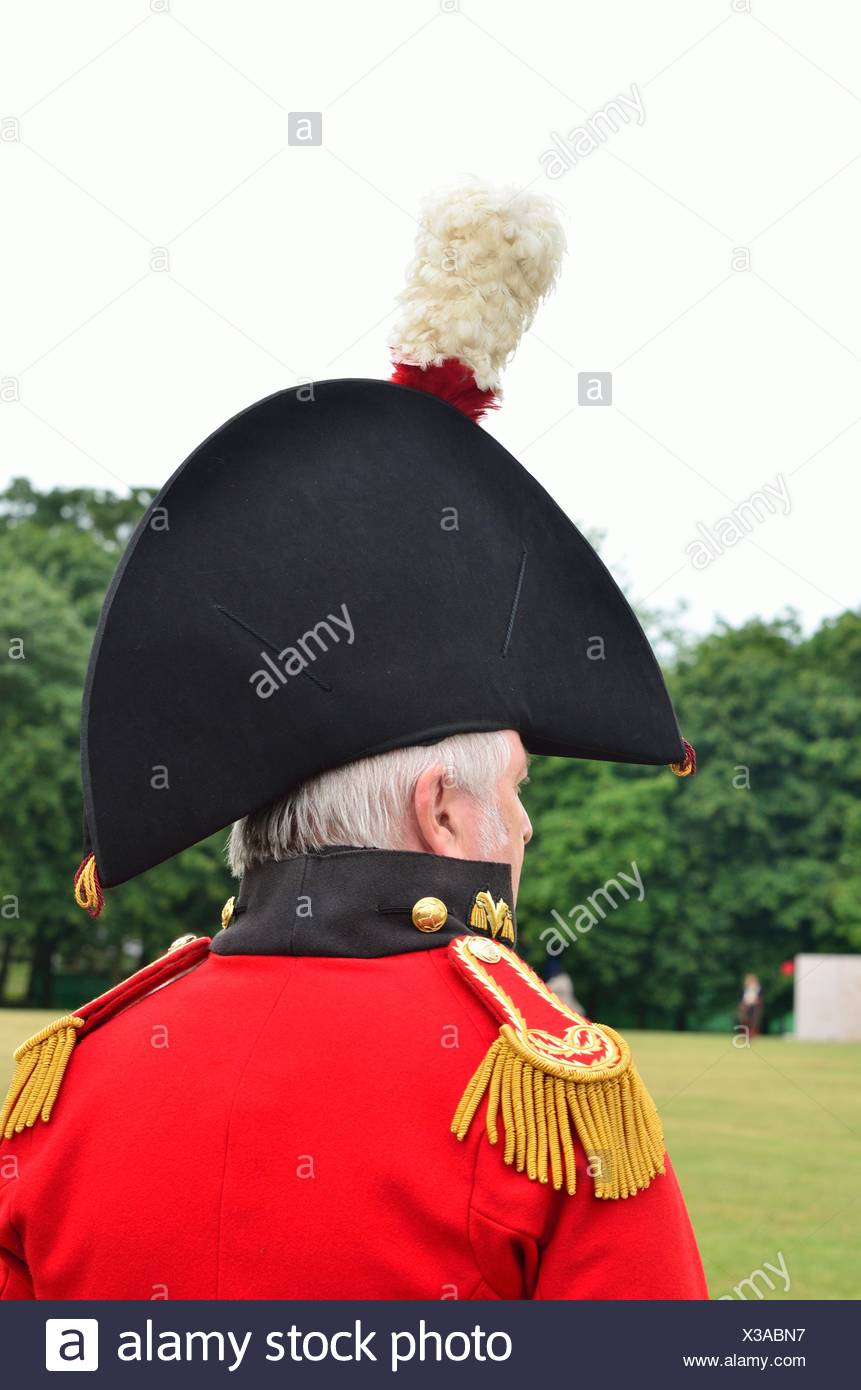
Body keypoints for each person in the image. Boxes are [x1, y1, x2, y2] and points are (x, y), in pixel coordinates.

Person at [0, 179, 706, 1300]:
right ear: (439, 808)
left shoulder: (73, 1082)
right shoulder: (552, 1100)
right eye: (515, 791)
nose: (522, 826)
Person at [739, 973, 764, 1038]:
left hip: (754, 1007)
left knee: (753, 1021)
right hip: (747, 1006)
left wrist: (756, 1002)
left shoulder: (758, 989)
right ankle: (744, 1034)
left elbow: (760, 998)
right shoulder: (746, 989)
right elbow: (743, 998)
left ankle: (752, 1035)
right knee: (745, 1021)